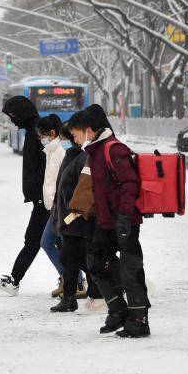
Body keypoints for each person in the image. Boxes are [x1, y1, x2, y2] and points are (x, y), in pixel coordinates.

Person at [71, 104, 152, 338]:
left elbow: (130, 184)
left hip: (124, 220)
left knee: (130, 268)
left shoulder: (113, 150)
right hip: (105, 221)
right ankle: (118, 309)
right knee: (96, 261)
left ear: (90, 129)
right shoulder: (96, 151)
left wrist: (125, 216)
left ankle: (139, 318)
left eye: (82, 131)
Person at [0, 95, 48, 295]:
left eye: (13, 115)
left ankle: (15, 279)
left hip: (45, 198)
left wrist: (41, 194)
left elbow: (44, 167)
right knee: (51, 240)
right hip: (41, 197)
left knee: (36, 239)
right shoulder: (32, 131)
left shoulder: (37, 132)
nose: (12, 120)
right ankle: (80, 279)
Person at [50, 113, 105, 313]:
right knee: (72, 259)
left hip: (75, 220)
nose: (66, 141)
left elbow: (83, 190)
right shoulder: (71, 157)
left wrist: (71, 214)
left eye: (68, 137)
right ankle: (78, 295)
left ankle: (72, 297)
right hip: (67, 220)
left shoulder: (82, 158)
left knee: (72, 260)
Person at [36, 114, 84, 299]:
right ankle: (73, 280)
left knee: (50, 242)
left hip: (64, 208)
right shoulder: (51, 151)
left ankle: (75, 281)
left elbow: (66, 182)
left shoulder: (61, 152)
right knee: (63, 246)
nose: (41, 139)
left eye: (42, 135)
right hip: (56, 207)